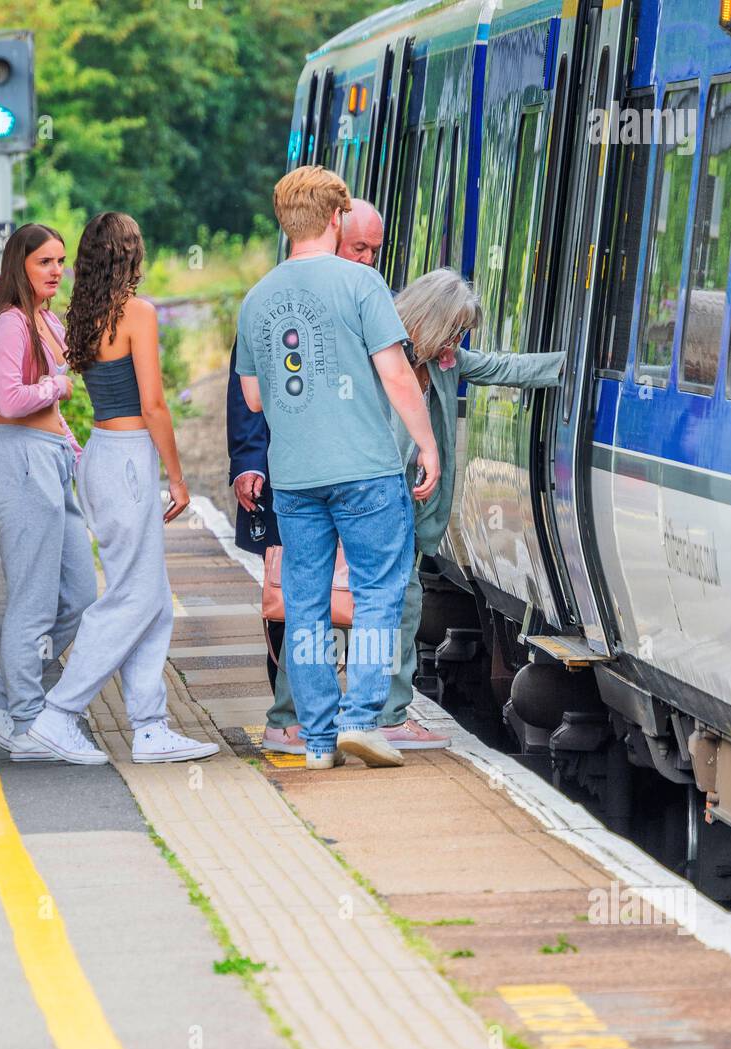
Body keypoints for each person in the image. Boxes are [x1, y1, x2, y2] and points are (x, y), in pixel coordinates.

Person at [236, 167, 439, 770]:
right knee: (378, 591)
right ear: (335, 220)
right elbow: (398, 374)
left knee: (305, 599)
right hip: (366, 470)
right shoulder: (362, 283)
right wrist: (426, 445)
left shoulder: (257, 297)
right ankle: (360, 719)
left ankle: (318, 740)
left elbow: (251, 398)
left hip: (294, 476)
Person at [27, 212, 218, 766]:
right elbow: (154, 404)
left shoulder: (82, 315)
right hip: (131, 461)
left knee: (152, 600)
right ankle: (59, 712)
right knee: (133, 598)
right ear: (131, 255)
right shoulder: (137, 312)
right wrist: (177, 478)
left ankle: (150, 726)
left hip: (101, 456)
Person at [226, 199, 385, 740]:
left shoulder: (360, 292)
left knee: (331, 597)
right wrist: (248, 462)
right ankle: (292, 716)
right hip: (295, 474)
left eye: (374, 251)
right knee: (300, 597)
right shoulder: (275, 295)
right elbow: (244, 386)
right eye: (358, 247)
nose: (366, 259)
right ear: (333, 232)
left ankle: (330, 722)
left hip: (346, 471)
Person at [381, 266, 565, 731]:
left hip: (408, 506)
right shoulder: (380, 355)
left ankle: (387, 711)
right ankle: (381, 711)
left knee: (401, 603)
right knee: (390, 603)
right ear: (428, 320)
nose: (457, 342)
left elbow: (504, 368)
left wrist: (573, 365)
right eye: (453, 330)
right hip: (373, 498)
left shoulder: (447, 362)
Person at [0, 223, 98, 763]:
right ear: (20, 264)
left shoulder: (46, 321)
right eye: (46, 262)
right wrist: (57, 384)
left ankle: (0, 696)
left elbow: (50, 413)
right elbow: (10, 399)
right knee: (33, 602)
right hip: (17, 465)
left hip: (48, 462)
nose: (57, 271)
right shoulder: (8, 323)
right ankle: (24, 722)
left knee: (81, 598)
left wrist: (78, 455)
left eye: (61, 261)